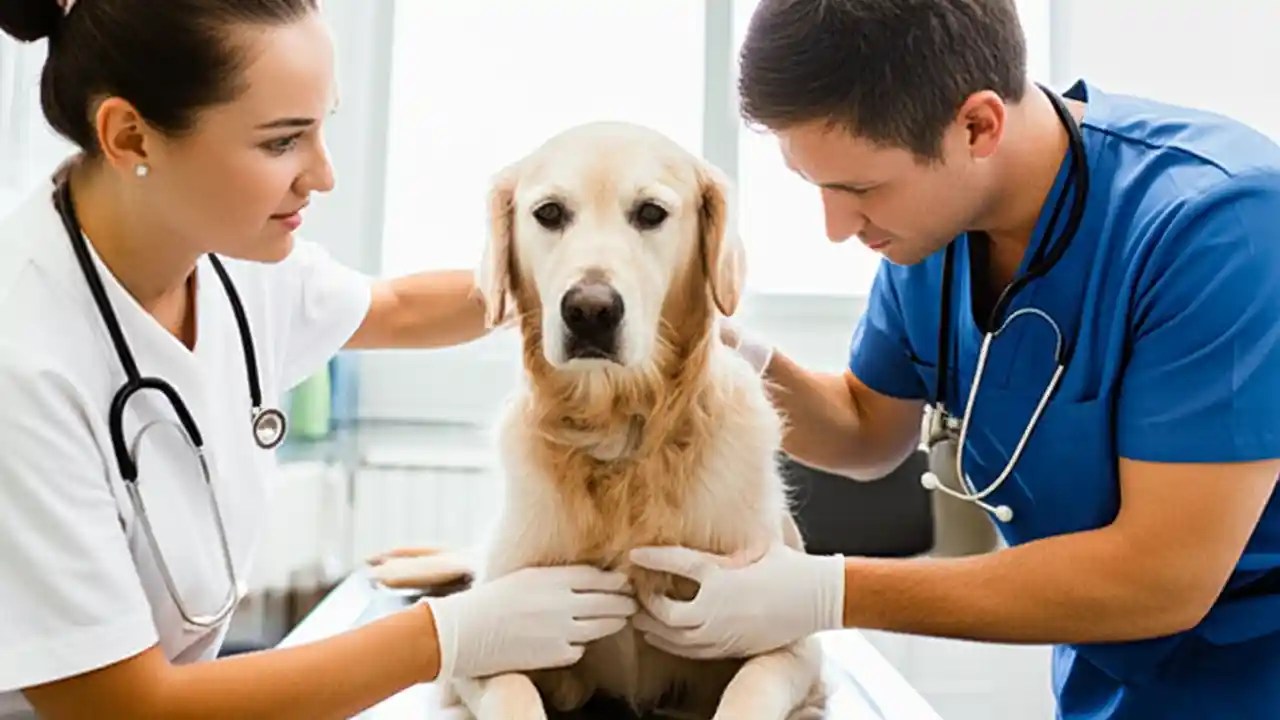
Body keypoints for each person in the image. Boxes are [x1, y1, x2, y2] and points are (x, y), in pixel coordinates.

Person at [629, 1, 1280, 718]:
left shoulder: (1220, 228)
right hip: (1110, 683)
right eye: (815, 186)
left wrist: (824, 592)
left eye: (860, 189)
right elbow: (867, 429)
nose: (836, 228)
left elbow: (1162, 577)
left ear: (977, 125)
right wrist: (724, 352)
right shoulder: (934, 228)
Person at [0, 1, 636, 717]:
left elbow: (396, 308)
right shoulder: (22, 355)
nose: (324, 175)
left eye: (323, 126)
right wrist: (449, 634)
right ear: (130, 135)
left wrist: (599, 292)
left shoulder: (231, 261)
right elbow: (124, 705)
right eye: (281, 143)